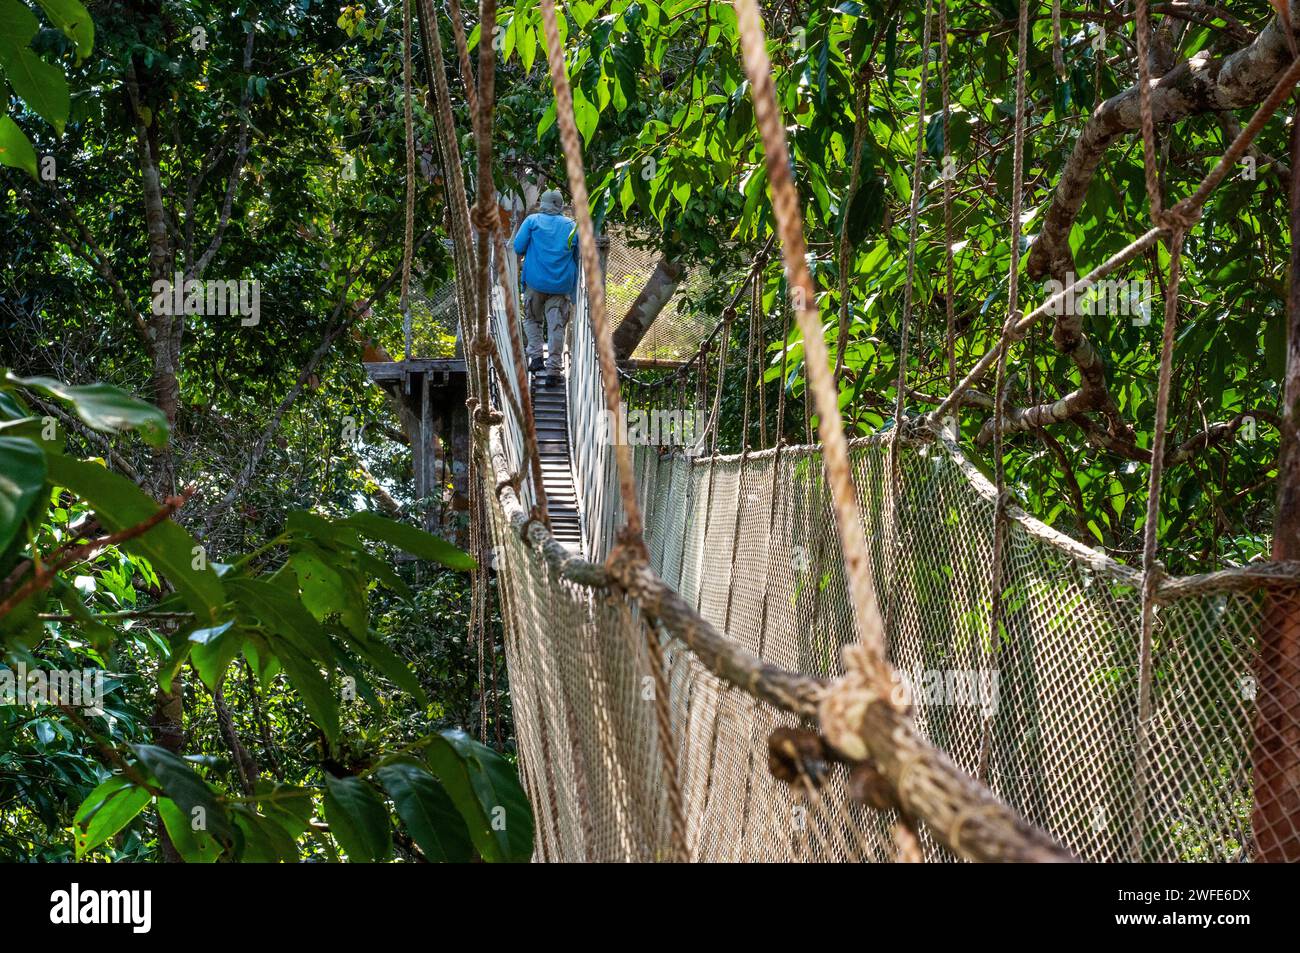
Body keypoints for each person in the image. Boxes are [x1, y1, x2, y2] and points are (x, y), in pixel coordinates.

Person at [513, 189, 579, 386]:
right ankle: (553, 369)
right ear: (559, 205)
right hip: (561, 286)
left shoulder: (532, 221)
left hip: (535, 283)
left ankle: (535, 358)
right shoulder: (571, 226)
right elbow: (578, 255)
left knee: (533, 320)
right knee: (556, 326)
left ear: (543, 203)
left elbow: (518, 247)